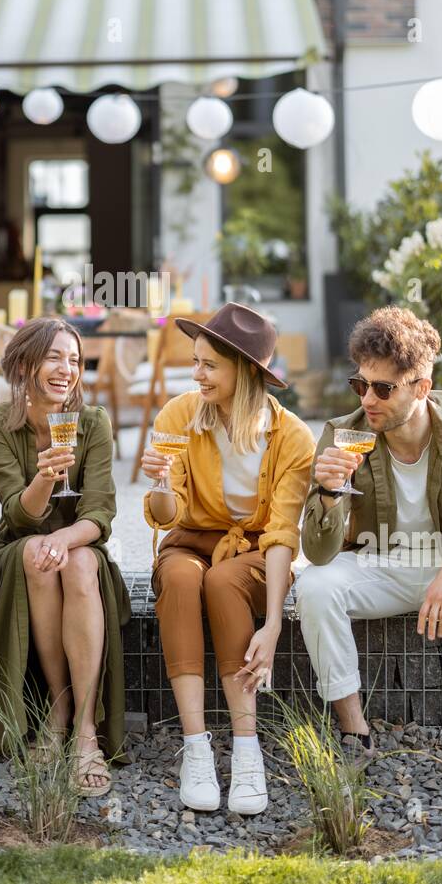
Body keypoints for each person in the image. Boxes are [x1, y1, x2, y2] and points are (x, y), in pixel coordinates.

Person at [297, 306, 442, 813]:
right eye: (360, 384)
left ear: (421, 387)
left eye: (383, 389)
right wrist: (329, 495)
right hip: (376, 565)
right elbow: (317, 553)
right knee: (314, 587)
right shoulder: (344, 433)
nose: (368, 399)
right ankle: (354, 735)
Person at [141, 303, 315, 815]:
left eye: (209, 365)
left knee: (222, 583)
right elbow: (166, 515)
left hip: (256, 552)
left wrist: (276, 623)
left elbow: (283, 534)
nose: (197, 375)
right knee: (178, 574)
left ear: (244, 370)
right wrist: (157, 482)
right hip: (193, 540)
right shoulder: (178, 416)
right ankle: (196, 748)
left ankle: (246, 748)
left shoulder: (293, 439)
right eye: (195, 362)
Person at [0, 316, 131, 796]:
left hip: (78, 551)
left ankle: (85, 732)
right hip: (15, 553)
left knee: (80, 560)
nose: (67, 369)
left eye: (74, 360)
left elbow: (100, 514)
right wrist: (46, 477)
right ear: (25, 364)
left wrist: (65, 540)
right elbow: (19, 516)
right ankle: (58, 707)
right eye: (54, 357)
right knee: (36, 555)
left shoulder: (93, 423)